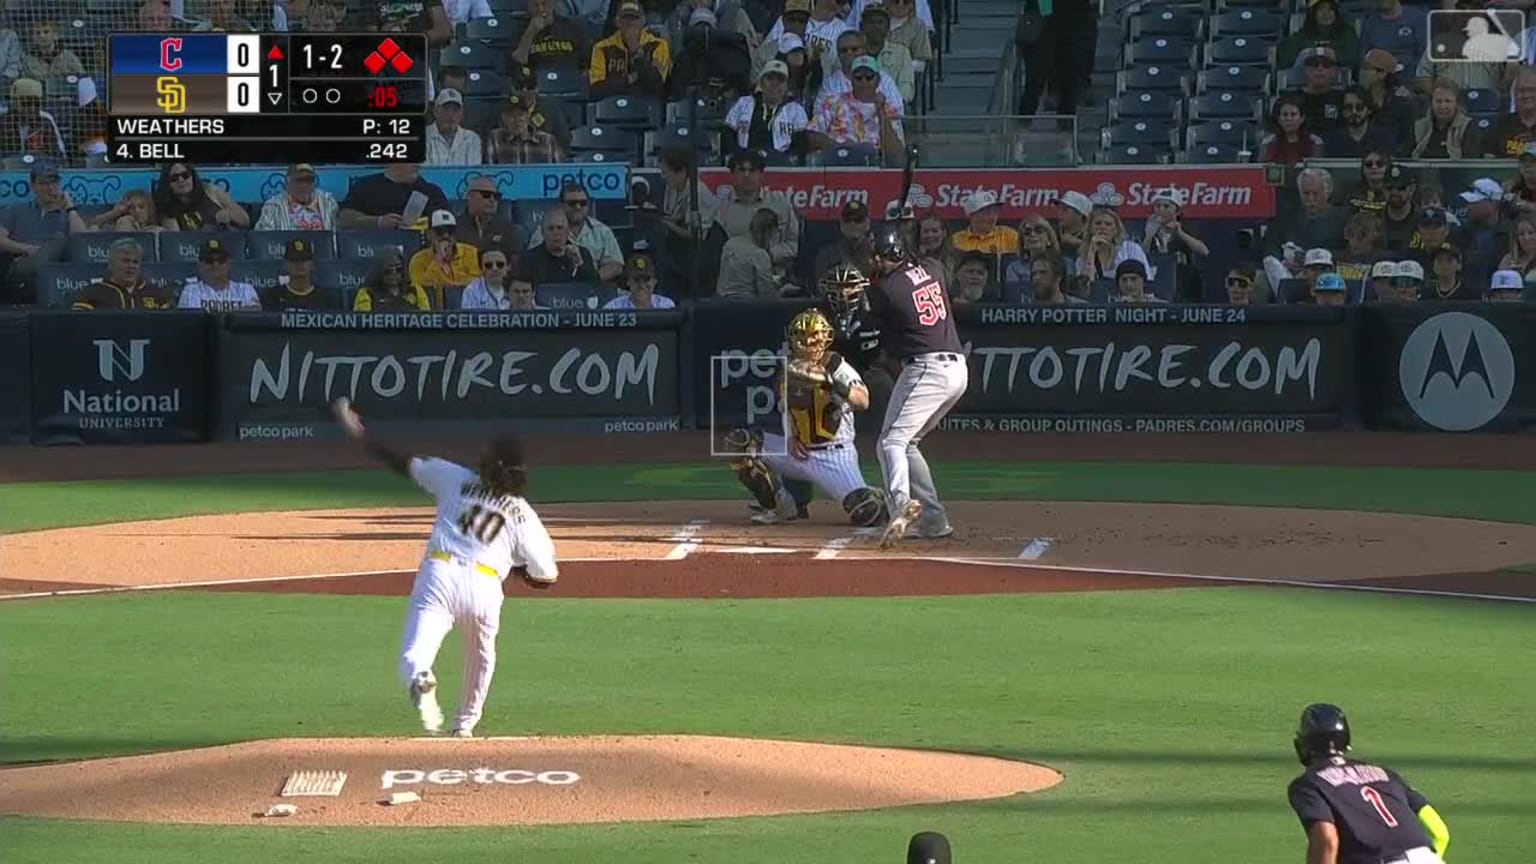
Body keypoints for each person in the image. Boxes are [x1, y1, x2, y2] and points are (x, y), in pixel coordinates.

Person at [328, 398, 557, 738]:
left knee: (415, 652)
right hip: (485, 586)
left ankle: (420, 675)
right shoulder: (523, 514)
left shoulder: (454, 477)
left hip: (440, 574)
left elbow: (402, 462)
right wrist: (515, 565)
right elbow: (547, 576)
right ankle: (464, 726)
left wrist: (361, 433)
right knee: (481, 658)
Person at [727, 307, 886, 528]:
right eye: (803, 337)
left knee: (868, 512)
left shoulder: (836, 365)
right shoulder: (790, 368)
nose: (809, 343)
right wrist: (790, 438)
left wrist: (832, 385)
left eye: (814, 337)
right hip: (798, 451)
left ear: (825, 338)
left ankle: (875, 494)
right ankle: (779, 506)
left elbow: (863, 401)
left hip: (834, 454)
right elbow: (787, 410)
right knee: (740, 443)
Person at [865, 225, 967, 548]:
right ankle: (934, 520)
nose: (873, 262)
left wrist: (865, 293)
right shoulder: (933, 267)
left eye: (877, 257)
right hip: (956, 369)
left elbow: (872, 320)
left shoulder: (886, 290)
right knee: (907, 444)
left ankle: (900, 504)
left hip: (927, 368)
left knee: (890, 443)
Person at [1287, 703, 1450, 864]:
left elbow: (1327, 840)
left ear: (1304, 743)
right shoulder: (1385, 773)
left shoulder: (1309, 784)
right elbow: (1440, 832)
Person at [589, 0, 673, 98]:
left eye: (634, 18)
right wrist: (629, 79)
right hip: (610, 104)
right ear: (617, 22)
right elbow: (596, 89)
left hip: (647, 104)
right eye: (625, 18)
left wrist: (637, 53)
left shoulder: (658, 45)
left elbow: (656, 86)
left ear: (643, 22)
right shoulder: (601, 48)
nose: (629, 23)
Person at [71, 238, 175, 310]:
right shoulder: (90, 293)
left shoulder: (159, 294)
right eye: (125, 261)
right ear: (110, 264)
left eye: (135, 262)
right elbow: (79, 325)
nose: (131, 266)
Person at [409, 210, 482, 309]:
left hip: (471, 308)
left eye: (450, 232)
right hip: (436, 311)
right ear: (429, 234)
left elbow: (478, 283)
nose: (446, 236)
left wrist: (445, 286)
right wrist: (437, 260)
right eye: (440, 232)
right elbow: (422, 290)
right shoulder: (418, 260)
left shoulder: (472, 253)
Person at [177, 238, 262, 311]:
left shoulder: (245, 290)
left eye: (221, 260)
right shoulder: (191, 291)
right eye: (209, 260)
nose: (215, 265)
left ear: (229, 264)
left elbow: (255, 312)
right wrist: (237, 312)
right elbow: (190, 321)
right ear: (200, 265)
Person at [255, 163, 338, 231]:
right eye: (298, 180)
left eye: (308, 180)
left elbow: (337, 235)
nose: (303, 186)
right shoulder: (273, 206)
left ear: (314, 184)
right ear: (287, 184)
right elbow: (263, 238)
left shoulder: (327, 201)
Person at [268, 238, 328, 309]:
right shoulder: (272, 296)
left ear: (312, 264)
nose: (299, 264)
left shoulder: (326, 298)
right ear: (285, 265)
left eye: (304, 259)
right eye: (294, 260)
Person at [604, 254, 677, 309]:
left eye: (647, 279)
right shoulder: (614, 307)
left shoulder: (666, 305)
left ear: (655, 281)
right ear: (628, 282)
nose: (642, 285)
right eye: (636, 279)